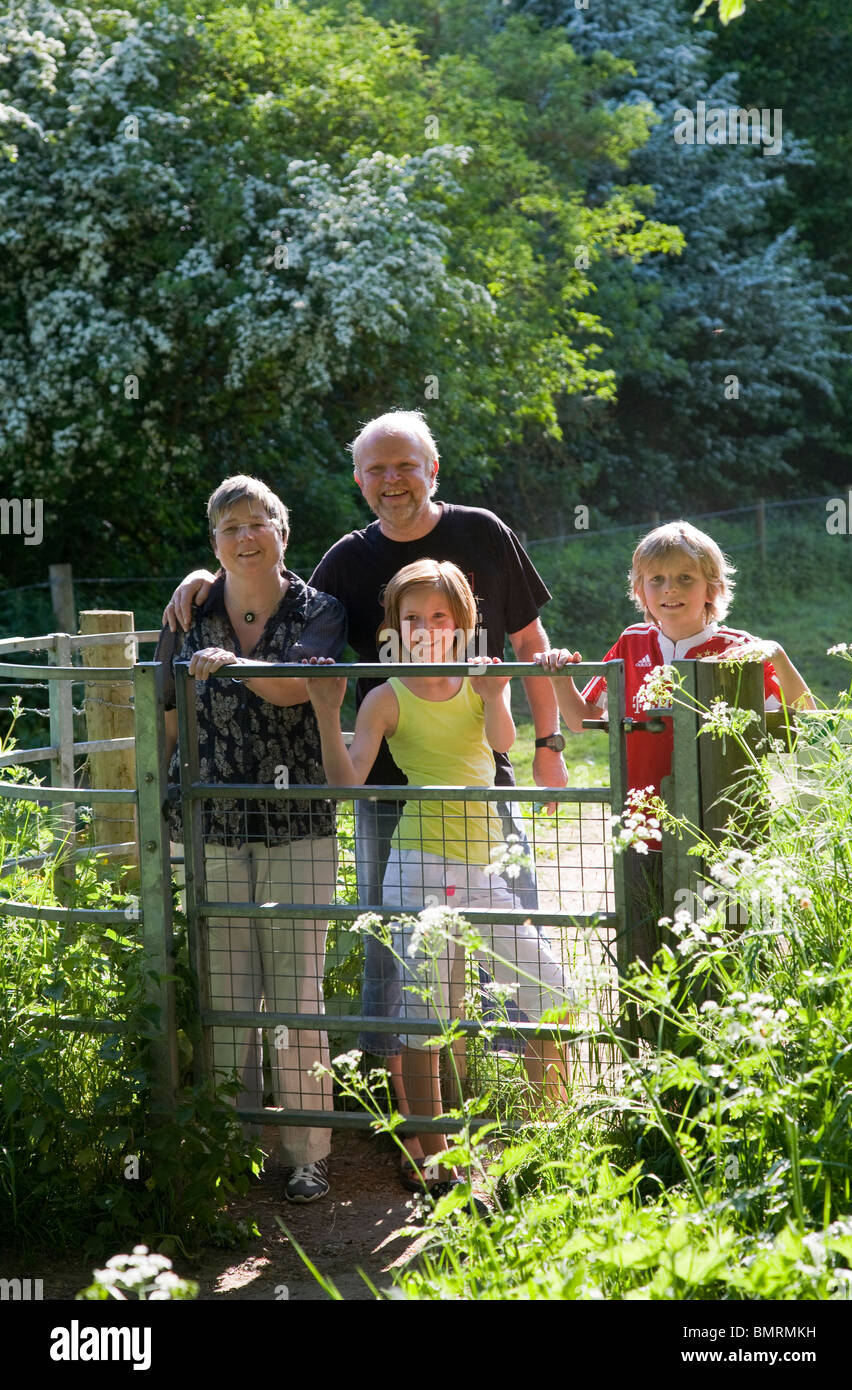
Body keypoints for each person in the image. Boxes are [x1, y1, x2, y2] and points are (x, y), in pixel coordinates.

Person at [161, 411, 568, 1154]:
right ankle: (413, 1128)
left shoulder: (482, 532)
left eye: (405, 466)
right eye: (376, 470)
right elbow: (284, 604)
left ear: (432, 469)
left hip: (483, 774)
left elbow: (530, 642)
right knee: (403, 953)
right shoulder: (348, 560)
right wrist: (206, 579)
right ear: (358, 480)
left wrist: (551, 742)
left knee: (516, 941)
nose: (391, 481)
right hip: (386, 783)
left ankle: (519, 1114)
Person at [305, 560, 574, 1192]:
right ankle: (438, 1159)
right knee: (430, 1020)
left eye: (439, 617)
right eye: (412, 618)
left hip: (485, 868)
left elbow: (502, 742)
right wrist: (325, 709)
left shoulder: (479, 681)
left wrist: (490, 693)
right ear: (393, 629)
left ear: (462, 623)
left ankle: (551, 1139)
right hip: (421, 870)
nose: (426, 628)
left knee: (551, 991)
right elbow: (348, 783)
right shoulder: (385, 697)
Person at [155, 475, 347, 1204]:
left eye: (256, 523)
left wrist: (237, 667)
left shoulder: (319, 609)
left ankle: (306, 1153)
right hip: (208, 824)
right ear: (214, 543)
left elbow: (301, 687)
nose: (244, 537)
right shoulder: (190, 609)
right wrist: (169, 790)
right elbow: (170, 713)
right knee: (225, 989)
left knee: (296, 990)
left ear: (282, 531)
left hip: (294, 821)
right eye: (229, 527)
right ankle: (227, 1145)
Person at [534, 519, 814, 964]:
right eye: (657, 579)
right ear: (640, 590)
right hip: (644, 828)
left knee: (725, 949)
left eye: (686, 578)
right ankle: (653, 1034)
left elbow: (806, 724)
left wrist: (776, 654)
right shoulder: (631, 643)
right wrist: (559, 676)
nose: (671, 589)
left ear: (712, 587)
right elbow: (582, 719)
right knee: (646, 954)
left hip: (723, 831)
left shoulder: (741, 649)